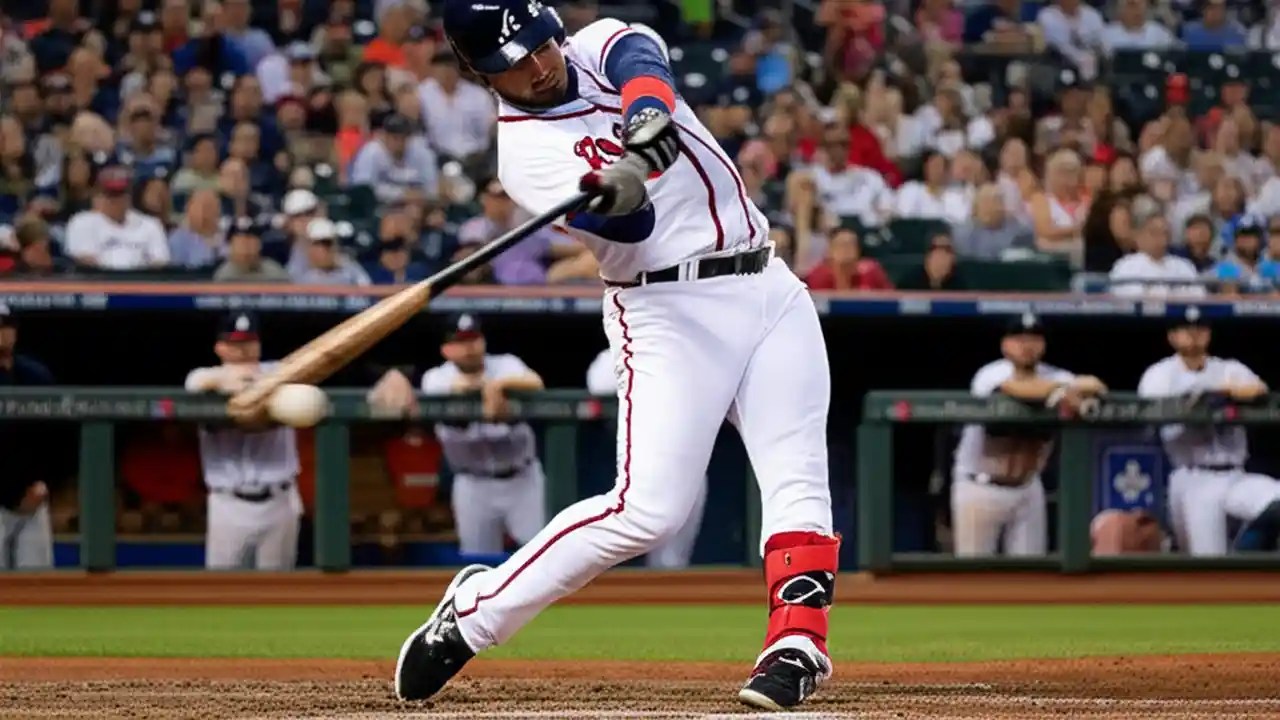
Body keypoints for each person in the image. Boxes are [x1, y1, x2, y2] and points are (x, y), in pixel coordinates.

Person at [394, 2, 838, 712]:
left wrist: (646, 122)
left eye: (540, 44)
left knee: (797, 474)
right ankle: (474, 613)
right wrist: (621, 192)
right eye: (515, 61)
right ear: (478, 73)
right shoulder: (527, 158)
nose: (539, 65)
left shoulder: (595, 43)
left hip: (768, 285)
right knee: (649, 511)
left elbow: (640, 60)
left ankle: (796, 644)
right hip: (667, 311)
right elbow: (631, 223)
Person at [370, 314, 547, 557]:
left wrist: (497, 386)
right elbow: (450, 390)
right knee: (477, 562)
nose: (469, 348)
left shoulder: (506, 364)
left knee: (543, 556)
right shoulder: (437, 377)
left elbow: (535, 382)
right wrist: (477, 390)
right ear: (446, 349)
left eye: (474, 339)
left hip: (522, 480)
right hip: (473, 484)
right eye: (460, 342)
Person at [950, 314, 1107, 556]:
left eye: (1034, 339)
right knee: (974, 577)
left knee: (1030, 577)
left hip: (1027, 489)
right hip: (980, 487)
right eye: (1018, 339)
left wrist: (1066, 388)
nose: (1027, 345)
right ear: (1005, 345)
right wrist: (1058, 391)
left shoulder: (1057, 375)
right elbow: (1013, 388)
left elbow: (1096, 386)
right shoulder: (990, 373)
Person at [1138, 307, 1280, 555]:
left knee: (1275, 501)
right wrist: (1204, 399)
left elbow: (1259, 389)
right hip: (1194, 479)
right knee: (1208, 563)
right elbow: (1157, 410)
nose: (1194, 335)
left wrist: (1220, 393)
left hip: (1235, 475)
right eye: (1186, 330)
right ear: (1172, 337)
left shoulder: (1229, 368)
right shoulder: (1159, 374)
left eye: (1200, 329)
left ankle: (1242, 552)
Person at [184, 312, 303, 570]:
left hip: (280, 499)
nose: (243, 349)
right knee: (222, 591)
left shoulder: (279, 372)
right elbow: (194, 383)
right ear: (220, 347)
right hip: (228, 503)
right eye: (235, 343)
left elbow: (305, 371)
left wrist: (254, 384)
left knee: (277, 593)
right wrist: (232, 381)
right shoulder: (206, 376)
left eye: (249, 342)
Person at [586, 347, 705, 568]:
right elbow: (600, 389)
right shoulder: (608, 360)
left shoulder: (689, 352)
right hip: (642, 465)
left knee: (671, 561)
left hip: (688, 464)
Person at [0, 305, 57, 570]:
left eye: (7, 324)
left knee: (37, 589)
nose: (3, 332)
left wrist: (44, 483)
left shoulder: (36, 375)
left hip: (32, 498)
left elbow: (55, 438)